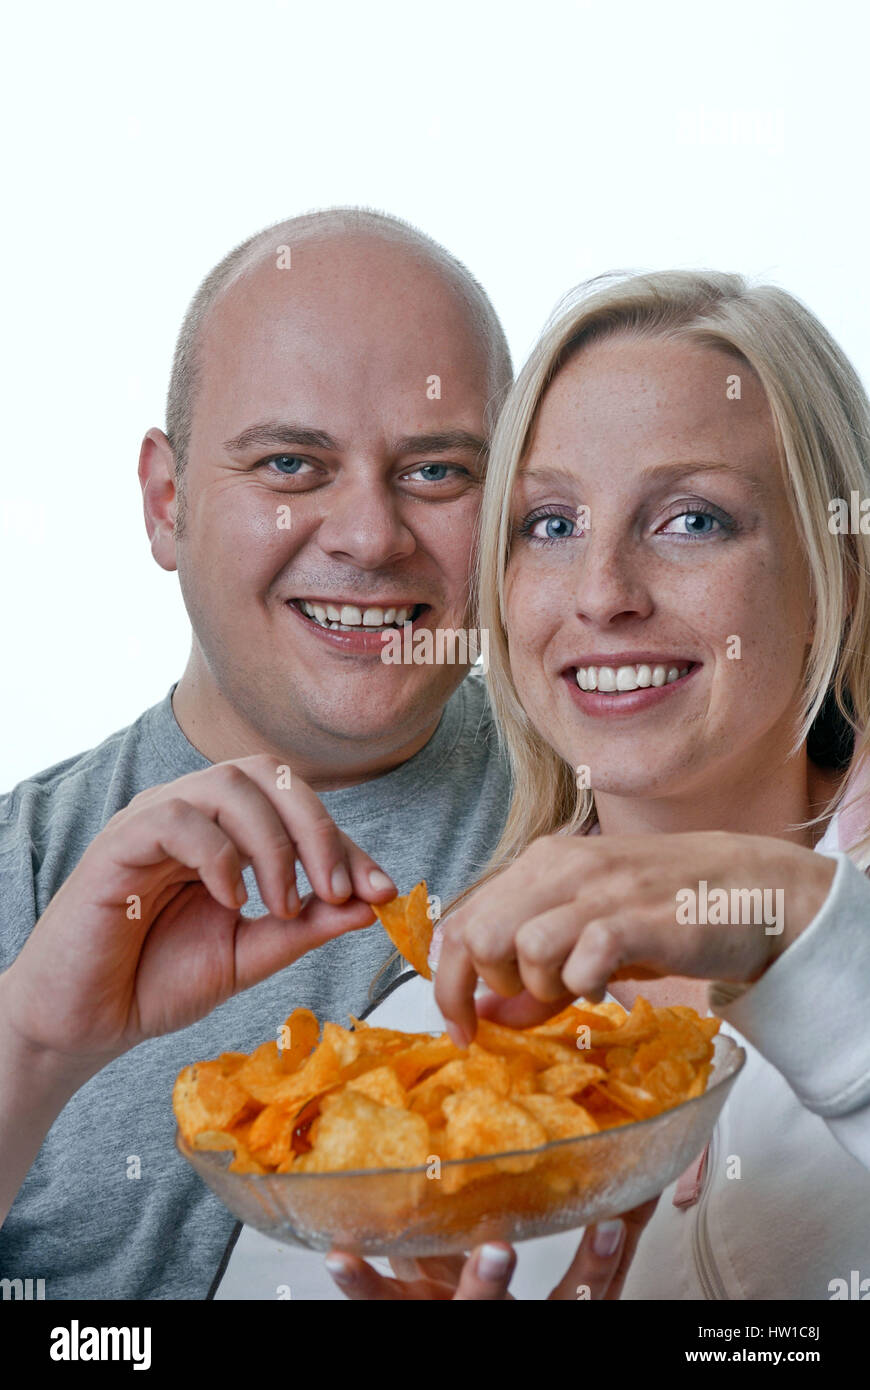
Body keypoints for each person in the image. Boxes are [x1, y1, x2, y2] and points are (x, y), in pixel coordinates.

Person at [0, 207, 521, 1300]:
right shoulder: (21, 872)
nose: (370, 536)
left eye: (436, 472)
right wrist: (37, 1043)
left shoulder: (620, 804)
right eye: (291, 464)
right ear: (166, 501)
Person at [329, 269, 870, 1300]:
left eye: (694, 520)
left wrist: (804, 926)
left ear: (836, 574)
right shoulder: (411, 1044)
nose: (604, 594)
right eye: (551, 524)